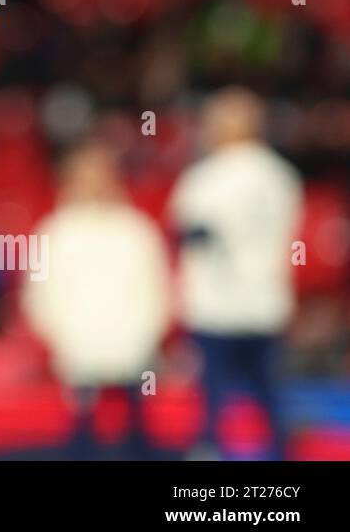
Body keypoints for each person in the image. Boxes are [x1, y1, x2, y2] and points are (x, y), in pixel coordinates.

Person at [169, 86, 302, 460]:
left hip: (216, 308)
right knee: (270, 399)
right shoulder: (282, 175)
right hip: (266, 304)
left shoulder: (205, 178)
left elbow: (188, 237)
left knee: (213, 406)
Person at [21, 142, 172, 459]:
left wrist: (144, 336)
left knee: (136, 439)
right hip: (77, 353)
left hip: (132, 349)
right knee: (81, 438)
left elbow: (157, 291)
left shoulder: (136, 231)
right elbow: (40, 297)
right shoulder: (55, 233)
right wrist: (63, 339)